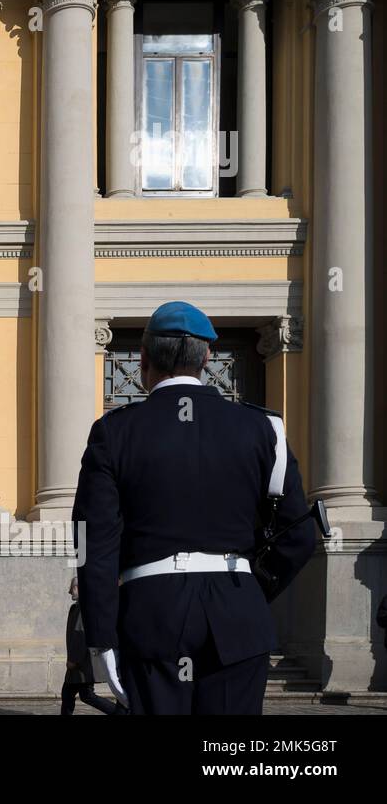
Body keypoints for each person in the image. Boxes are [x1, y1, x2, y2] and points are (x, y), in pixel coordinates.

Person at [72, 301, 317, 715]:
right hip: (238, 613)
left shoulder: (113, 432)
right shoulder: (263, 428)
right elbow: (299, 534)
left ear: (144, 358)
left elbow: (90, 542)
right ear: (207, 357)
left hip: (151, 615)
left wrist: (100, 638)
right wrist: (249, 588)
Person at [61, 576, 119, 715]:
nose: (70, 592)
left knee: (85, 695)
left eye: (73, 587)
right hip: (80, 662)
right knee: (72, 694)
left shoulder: (84, 609)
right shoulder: (79, 607)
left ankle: (120, 712)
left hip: (81, 662)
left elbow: (80, 635)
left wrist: (73, 660)